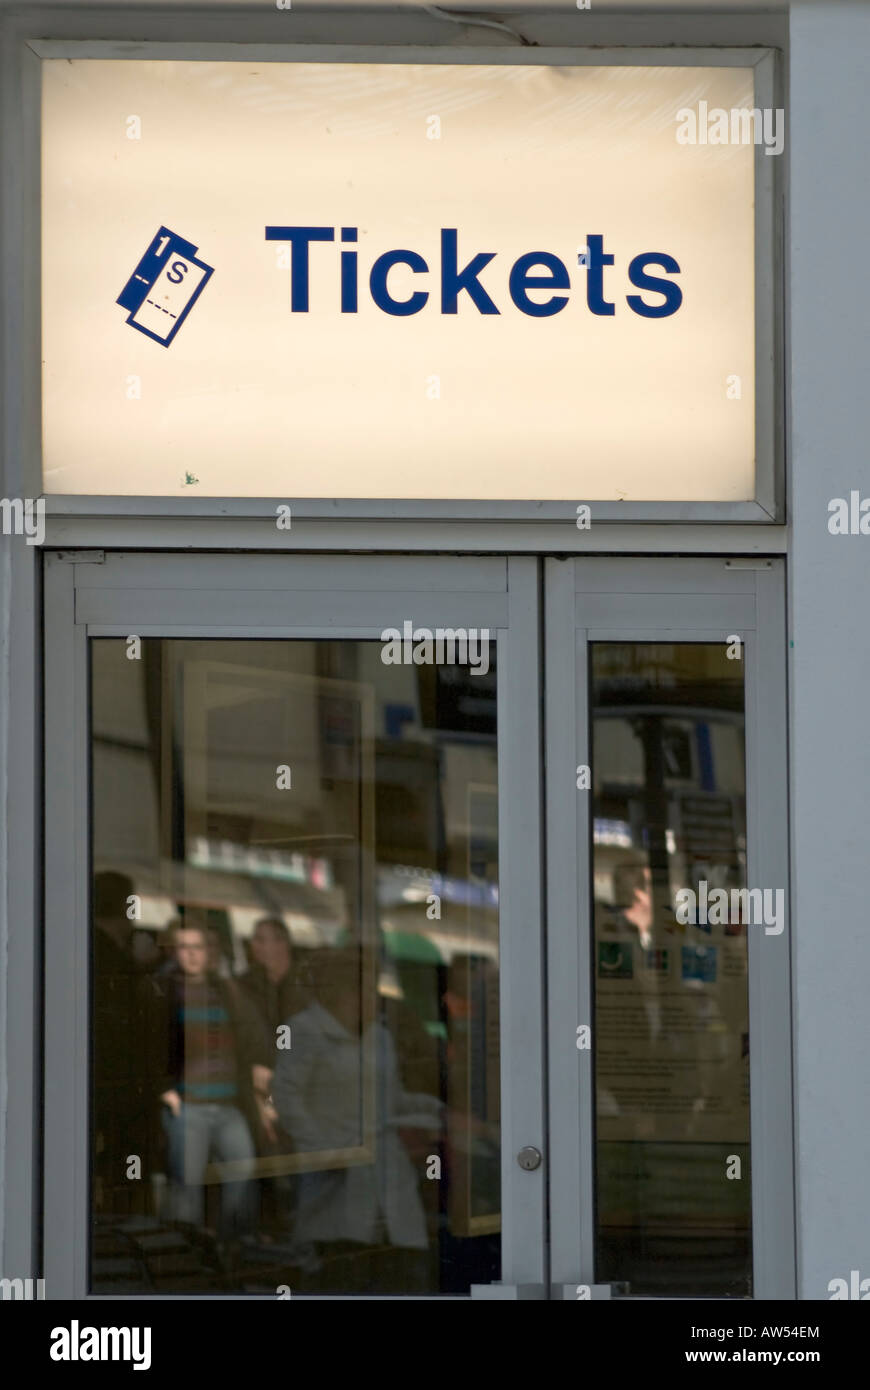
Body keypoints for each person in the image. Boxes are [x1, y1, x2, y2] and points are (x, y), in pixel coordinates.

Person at [142, 921, 272, 1247]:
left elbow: (254, 1037)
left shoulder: (226, 991)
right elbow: (144, 1041)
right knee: (187, 1187)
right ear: (175, 952)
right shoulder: (163, 990)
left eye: (197, 947)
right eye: (184, 948)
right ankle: (185, 1258)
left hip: (229, 1104)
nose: (192, 955)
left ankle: (231, 1250)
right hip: (189, 1106)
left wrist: (260, 1082)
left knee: (242, 1173)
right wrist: (165, 1089)